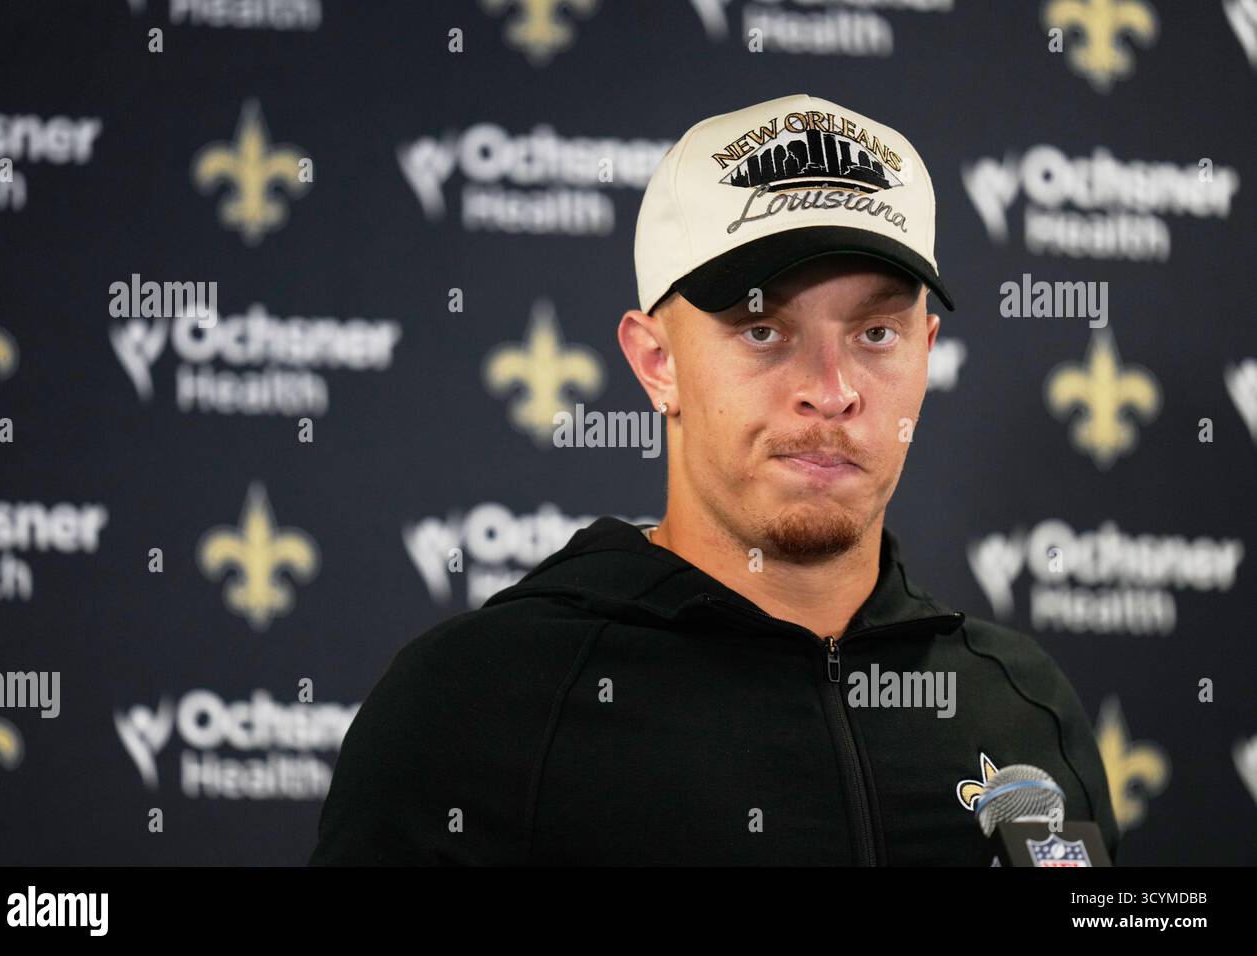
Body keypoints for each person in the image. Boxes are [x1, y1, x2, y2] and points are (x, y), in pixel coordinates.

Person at [309, 93, 1119, 865]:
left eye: (876, 332)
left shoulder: (1020, 709)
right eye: (763, 330)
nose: (832, 389)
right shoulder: (472, 708)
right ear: (656, 362)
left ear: (927, 354)